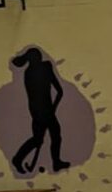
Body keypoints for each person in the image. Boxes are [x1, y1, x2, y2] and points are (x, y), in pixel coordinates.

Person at [10, 46, 69, 175]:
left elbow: (59, 91)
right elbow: (55, 92)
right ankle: (18, 159)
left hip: (43, 111)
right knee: (40, 139)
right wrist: (47, 111)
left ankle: (56, 162)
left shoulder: (41, 69)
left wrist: (51, 109)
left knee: (52, 137)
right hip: (40, 112)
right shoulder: (37, 71)